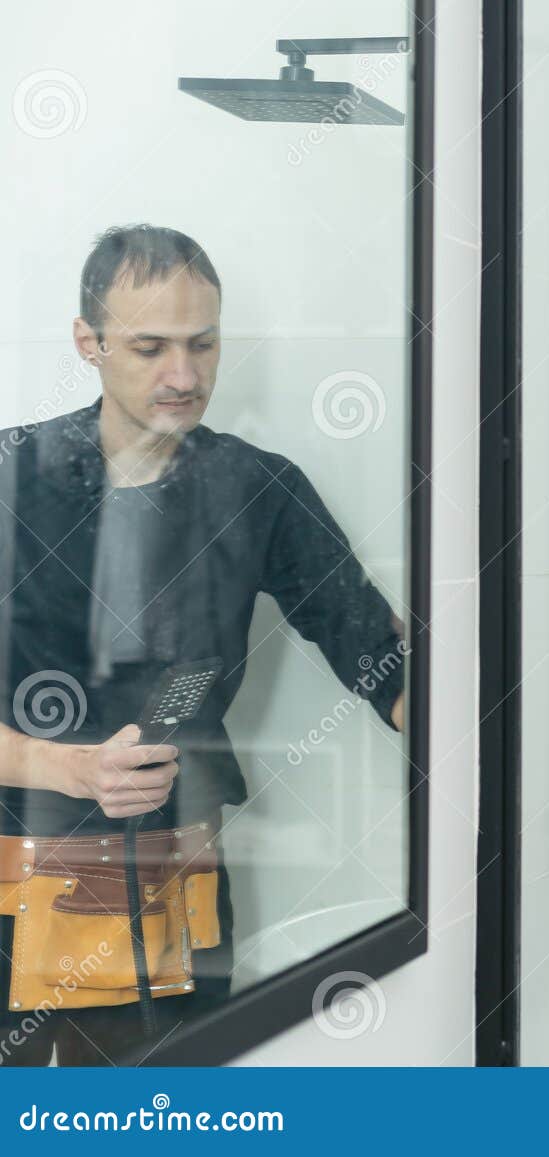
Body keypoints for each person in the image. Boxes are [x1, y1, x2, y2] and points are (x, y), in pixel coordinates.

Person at [0, 225, 406, 1065]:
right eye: (150, 347)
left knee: (184, 1115)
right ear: (90, 342)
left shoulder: (258, 486)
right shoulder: (8, 476)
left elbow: (380, 660)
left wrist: (503, 719)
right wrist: (67, 767)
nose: (183, 376)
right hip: (13, 887)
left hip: (180, 896)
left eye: (203, 344)